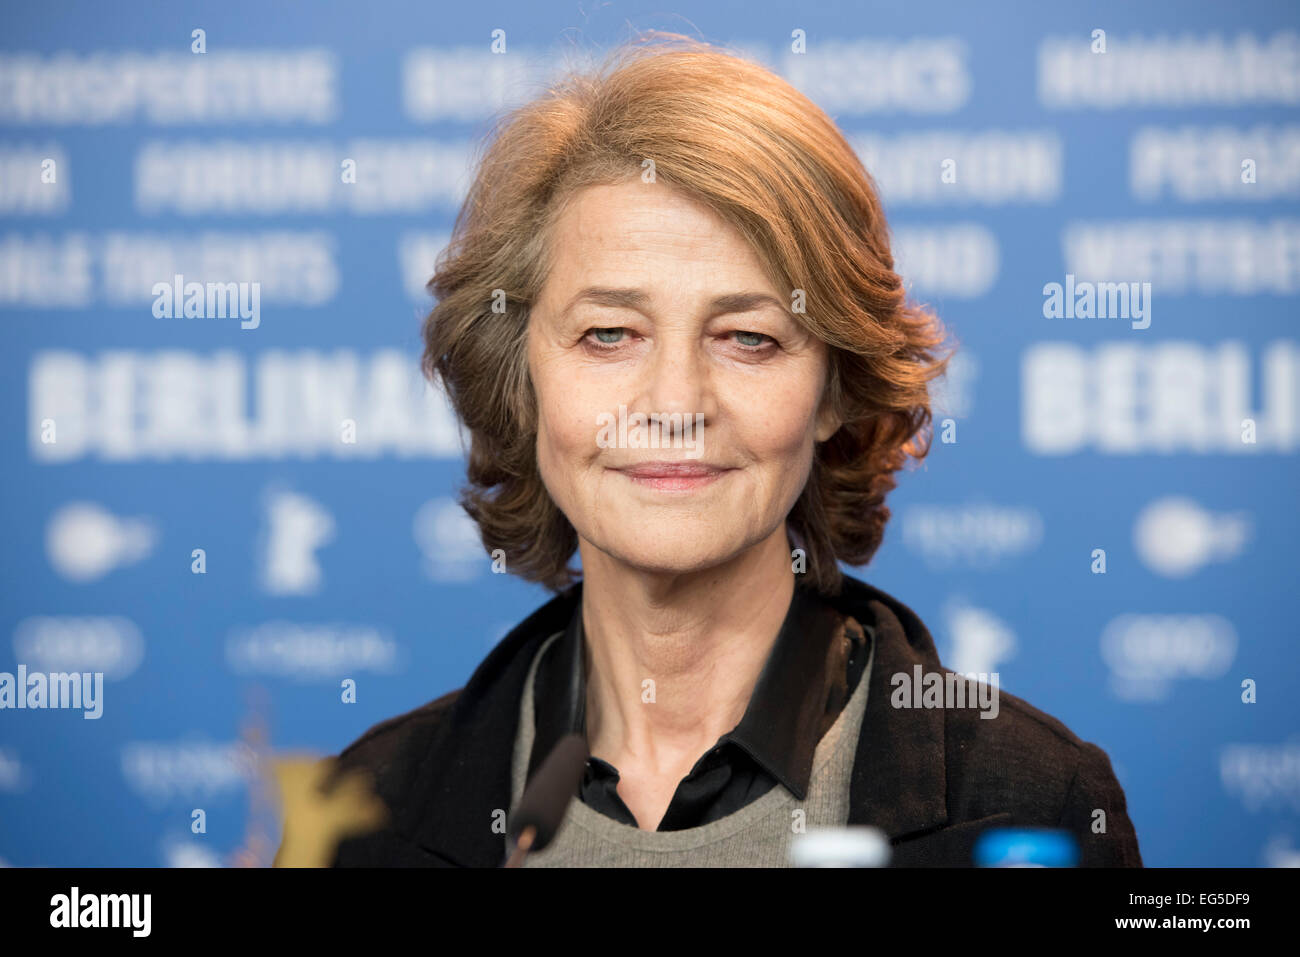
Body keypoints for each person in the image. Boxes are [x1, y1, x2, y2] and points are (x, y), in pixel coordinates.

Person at [319, 33, 1141, 867]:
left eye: (748, 337)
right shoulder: (368, 813)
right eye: (609, 333)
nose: (677, 404)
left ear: (833, 389)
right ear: (521, 376)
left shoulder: (1034, 803)